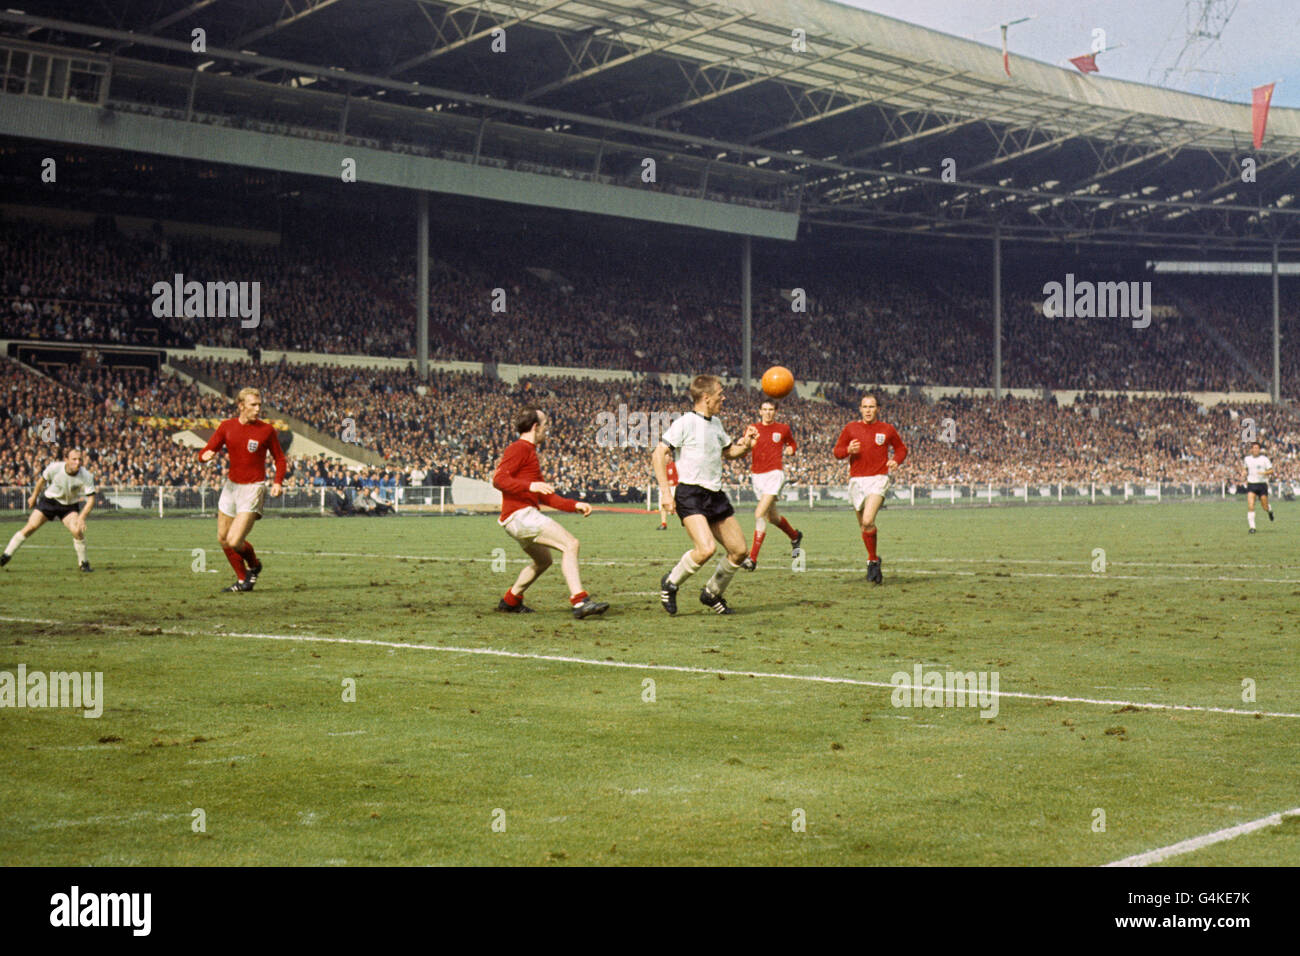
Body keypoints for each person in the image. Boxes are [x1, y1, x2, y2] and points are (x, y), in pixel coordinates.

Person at [653, 374, 759, 615]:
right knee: (705, 549)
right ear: (706, 397)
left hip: (715, 494)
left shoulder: (717, 424)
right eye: (720, 394)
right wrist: (666, 493)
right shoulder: (685, 422)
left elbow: (730, 452)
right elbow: (658, 454)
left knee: (740, 551)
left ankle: (711, 593)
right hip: (690, 493)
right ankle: (670, 583)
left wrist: (747, 445)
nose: (723, 397)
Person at [492, 406, 609, 619]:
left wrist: (574, 505)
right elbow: (498, 480)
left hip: (516, 519)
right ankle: (579, 601)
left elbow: (546, 497)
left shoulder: (529, 452)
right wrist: (530, 487)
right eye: (545, 425)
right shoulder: (519, 448)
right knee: (570, 544)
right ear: (535, 427)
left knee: (544, 561)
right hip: (521, 516)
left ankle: (510, 600)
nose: (547, 430)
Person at [197, 387, 287, 592]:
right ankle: (242, 580)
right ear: (241, 406)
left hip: (253, 488)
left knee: (235, 541)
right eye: (253, 405)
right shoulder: (227, 427)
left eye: (259, 405)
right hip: (231, 487)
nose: (257, 409)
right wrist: (203, 457)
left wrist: (278, 482)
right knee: (222, 538)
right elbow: (206, 450)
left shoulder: (266, 430)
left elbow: (280, 458)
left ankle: (254, 566)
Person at [833, 393, 907, 585]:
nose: (868, 410)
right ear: (860, 408)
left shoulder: (887, 429)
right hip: (857, 481)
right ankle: (873, 558)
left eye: (872, 407)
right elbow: (837, 452)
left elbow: (901, 449)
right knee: (864, 527)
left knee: (868, 520)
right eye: (865, 407)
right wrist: (848, 450)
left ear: (878, 409)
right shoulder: (851, 428)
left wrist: (895, 461)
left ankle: (872, 562)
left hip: (878, 479)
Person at [1, 448, 96, 572]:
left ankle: (83, 563)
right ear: (66, 460)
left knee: (77, 531)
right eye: (74, 459)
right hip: (49, 501)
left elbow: (91, 500)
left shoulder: (86, 475)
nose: (77, 462)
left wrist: (82, 517)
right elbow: (41, 481)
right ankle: (6, 556)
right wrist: (34, 496)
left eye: (80, 460)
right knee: (31, 527)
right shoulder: (55, 468)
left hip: (69, 506)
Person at [743, 399, 801, 570]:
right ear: (760, 411)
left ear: (775, 412)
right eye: (765, 409)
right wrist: (744, 440)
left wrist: (792, 449)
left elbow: (792, 442)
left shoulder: (783, 429)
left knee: (759, 513)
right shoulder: (752, 428)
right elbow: (745, 444)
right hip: (757, 476)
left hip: (775, 474)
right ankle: (795, 536)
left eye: (771, 410)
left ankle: (752, 559)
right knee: (772, 517)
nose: (768, 412)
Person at [1243, 441, 1275, 534]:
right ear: (1251, 450)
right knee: (1251, 505)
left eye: (1257, 448)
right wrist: (1244, 472)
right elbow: (1245, 468)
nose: (1256, 450)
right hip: (1251, 484)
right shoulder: (1247, 459)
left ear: (1259, 450)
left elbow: (1271, 471)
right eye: (1254, 448)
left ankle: (1269, 510)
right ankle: (1252, 528)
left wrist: (1264, 473)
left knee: (1264, 506)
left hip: (1262, 484)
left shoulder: (1264, 459)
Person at [657, 456, 678, 530]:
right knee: (663, 505)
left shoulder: (674, 465)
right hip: (664, 487)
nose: (665, 458)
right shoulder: (662, 466)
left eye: (666, 457)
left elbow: (679, 477)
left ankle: (685, 522)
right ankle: (663, 524)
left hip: (673, 487)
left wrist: (674, 481)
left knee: (677, 506)